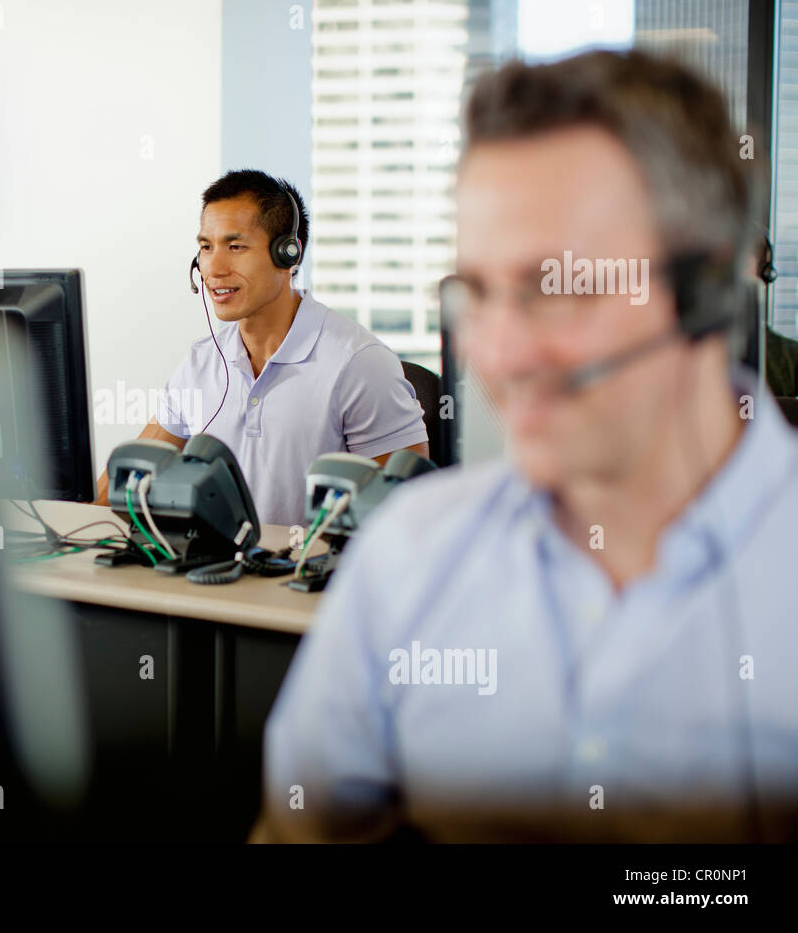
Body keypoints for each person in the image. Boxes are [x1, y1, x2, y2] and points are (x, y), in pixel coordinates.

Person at [257, 50, 798, 842]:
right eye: (478, 293)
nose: (501, 356)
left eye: (558, 287)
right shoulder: (409, 556)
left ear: (708, 295)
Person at [94, 169, 429, 525]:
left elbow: (409, 514)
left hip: (314, 578)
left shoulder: (358, 363)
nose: (213, 268)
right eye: (206, 247)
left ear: (288, 254)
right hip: (218, 575)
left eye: (235, 247)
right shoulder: (201, 362)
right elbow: (125, 483)